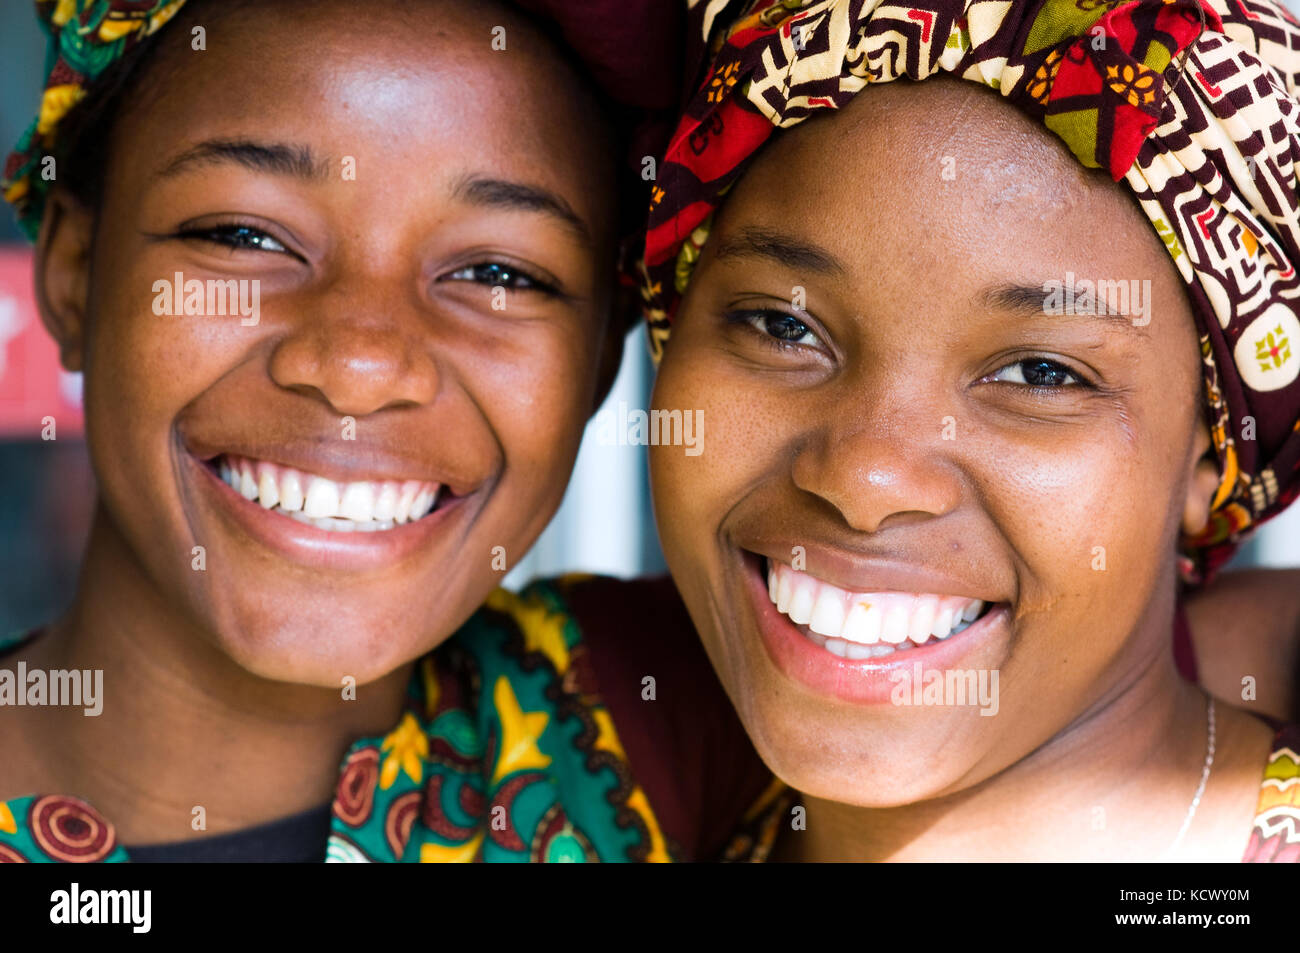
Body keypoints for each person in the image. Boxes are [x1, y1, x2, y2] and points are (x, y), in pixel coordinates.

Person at [0, 0, 768, 863]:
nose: (360, 362)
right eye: (245, 234)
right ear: (73, 272)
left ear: (599, 360)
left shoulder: (695, 724)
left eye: (497, 272)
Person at [643, 0, 1300, 861]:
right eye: (783, 325)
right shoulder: (609, 784)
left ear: (1207, 458)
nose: (867, 476)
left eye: (1041, 373)